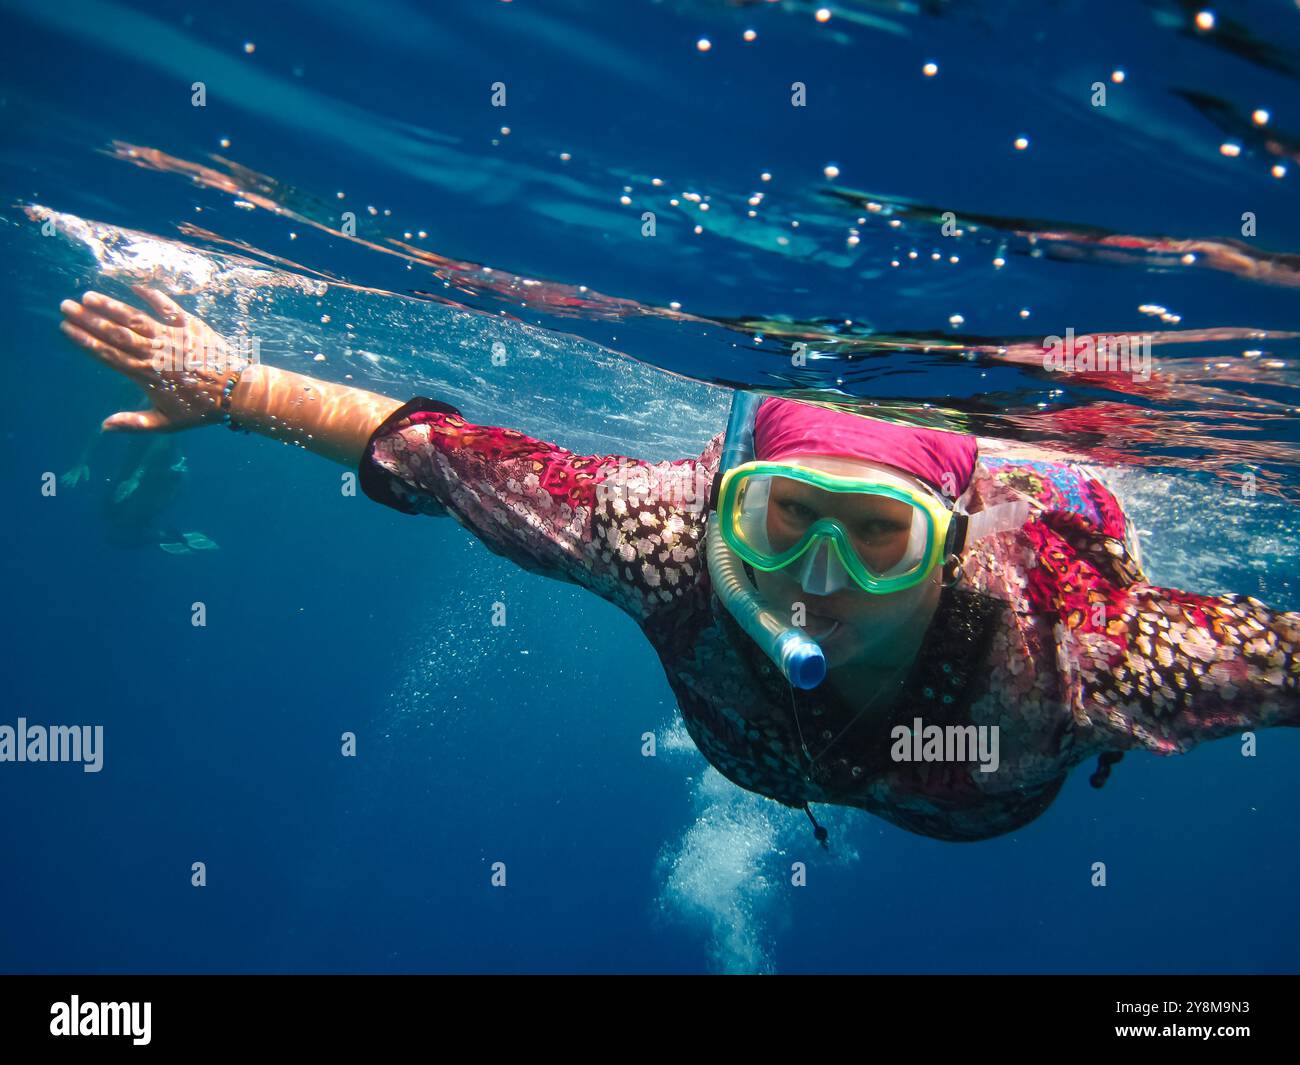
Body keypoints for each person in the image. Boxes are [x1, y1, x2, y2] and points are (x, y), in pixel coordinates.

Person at [59, 286, 1300, 844]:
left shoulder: (1074, 642)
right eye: (778, 520)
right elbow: (438, 452)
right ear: (718, 509)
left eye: (878, 536)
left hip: (1000, 748)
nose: (818, 578)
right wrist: (229, 386)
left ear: (953, 545)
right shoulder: (655, 536)